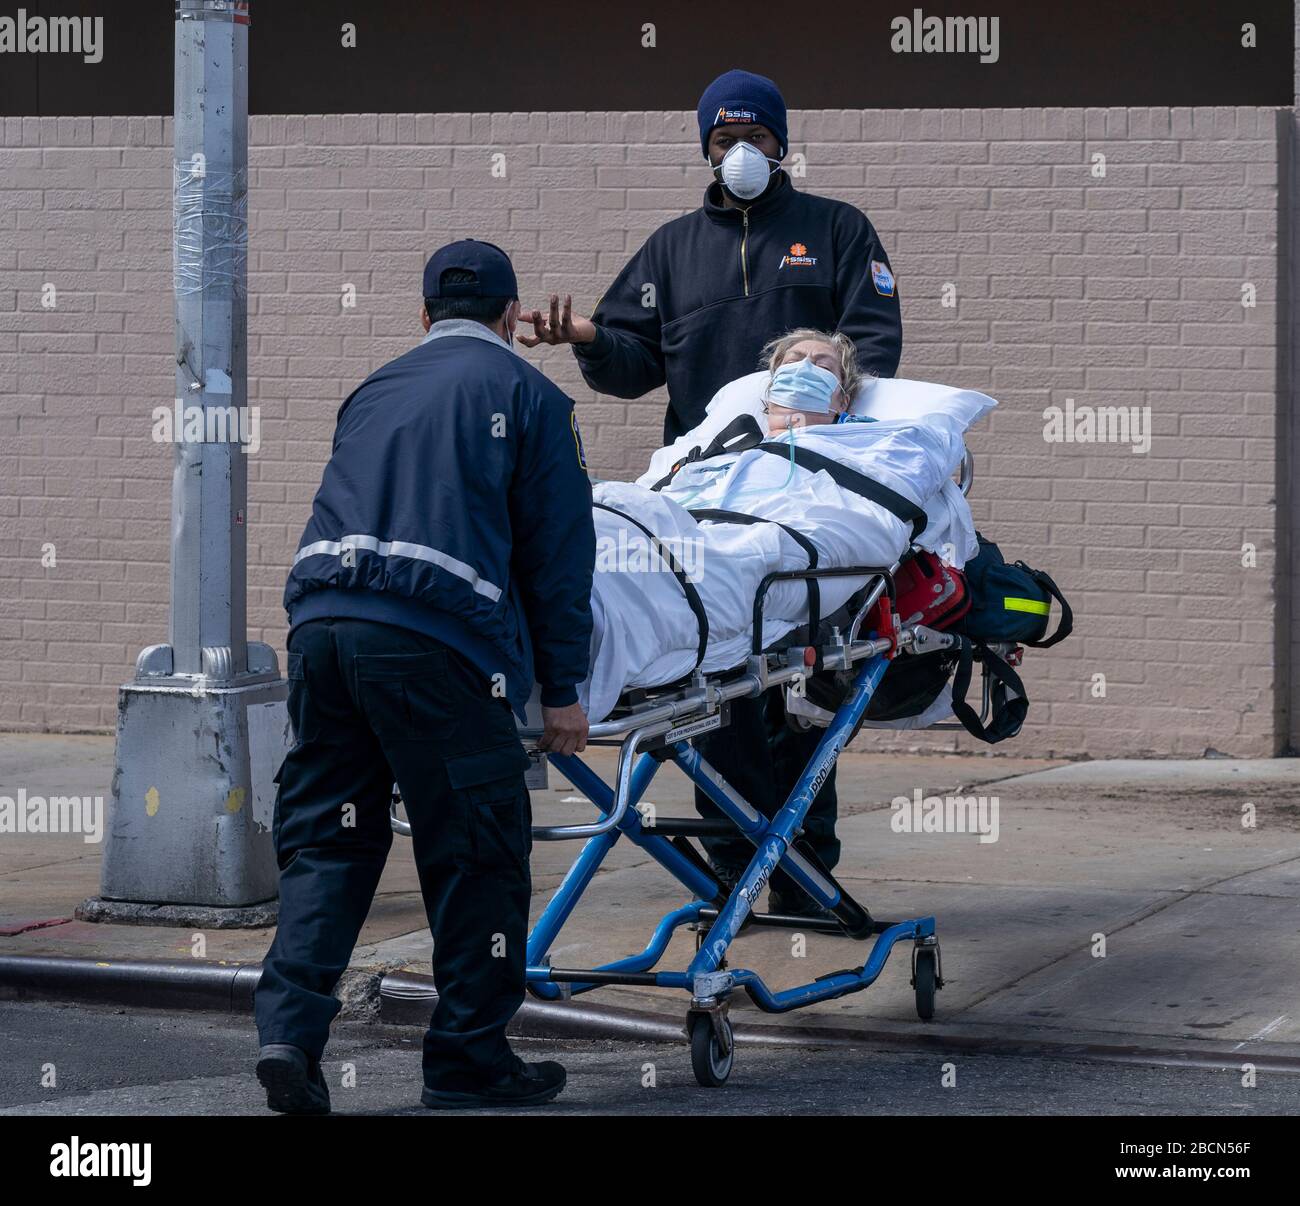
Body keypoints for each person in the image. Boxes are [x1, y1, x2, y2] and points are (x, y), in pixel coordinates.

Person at [521, 70, 903, 915]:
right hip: (711, 495)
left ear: (781, 143)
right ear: (705, 147)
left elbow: (872, 346)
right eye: (725, 139)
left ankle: (804, 877)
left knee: (799, 694)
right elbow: (631, 363)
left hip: (801, 497)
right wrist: (588, 338)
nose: (741, 153)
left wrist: (824, 424)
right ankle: (736, 872)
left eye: (756, 138)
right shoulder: (673, 250)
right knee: (716, 688)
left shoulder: (835, 230)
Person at [253, 239, 595, 1114]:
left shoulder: (374, 388)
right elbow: (559, 557)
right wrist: (563, 690)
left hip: (322, 633)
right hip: (434, 646)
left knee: (329, 840)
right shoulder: (530, 396)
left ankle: (289, 1035)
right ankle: (468, 1060)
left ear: (422, 316)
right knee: (477, 852)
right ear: (512, 317)